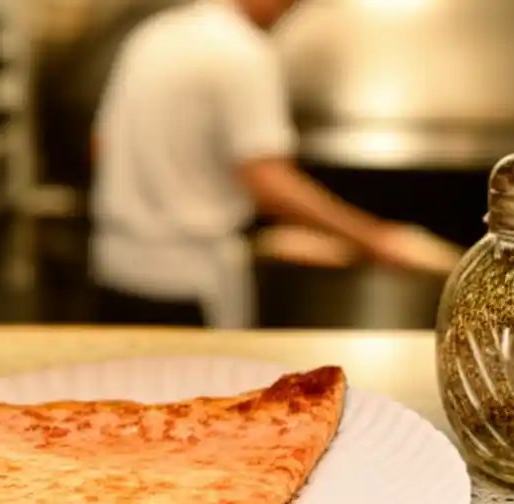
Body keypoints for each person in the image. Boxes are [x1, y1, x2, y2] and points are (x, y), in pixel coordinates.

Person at [88, 0, 463, 328]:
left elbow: (100, 145)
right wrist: (377, 238)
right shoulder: (241, 52)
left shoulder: (154, 36)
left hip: (114, 271)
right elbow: (268, 180)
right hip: (186, 287)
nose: (293, 9)